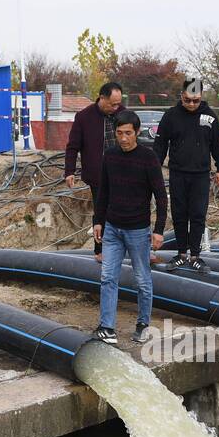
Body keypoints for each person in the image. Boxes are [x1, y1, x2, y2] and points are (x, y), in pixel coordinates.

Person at [92, 110, 167, 345]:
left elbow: (161, 196)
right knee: (107, 278)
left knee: (142, 279)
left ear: (136, 133)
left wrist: (158, 230)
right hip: (113, 228)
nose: (123, 138)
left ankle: (143, 324)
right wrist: (98, 221)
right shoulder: (110, 156)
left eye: (128, 133)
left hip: (138, 230)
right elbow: (103, 192)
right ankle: (107, 327)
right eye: (119, 133)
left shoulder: (148, 158)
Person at [154, 78, 219, 271]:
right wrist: (153, 170)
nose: (192, 104)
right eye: (188, 100)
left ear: (201, 97)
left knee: (197, 215)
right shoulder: (170, 116)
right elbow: (160, 146)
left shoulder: (210, 117)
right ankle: (181, 253)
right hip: (178, 173)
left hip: (201, 175)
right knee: (179, 214)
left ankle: (195, 255)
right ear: (181, 96)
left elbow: (218, 145)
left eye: (196, 101)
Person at [64, 81, 126, 262]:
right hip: (98, 174)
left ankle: (128, 248)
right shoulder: (84, 117)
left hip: (123, 173)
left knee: (126, 209)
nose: (115, 107)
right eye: (112, 104)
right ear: (102, 97)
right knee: (101, 210)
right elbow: (72, 146)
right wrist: (69, 171)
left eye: (118, 103)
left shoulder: (123, 114)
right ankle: (100, 250)